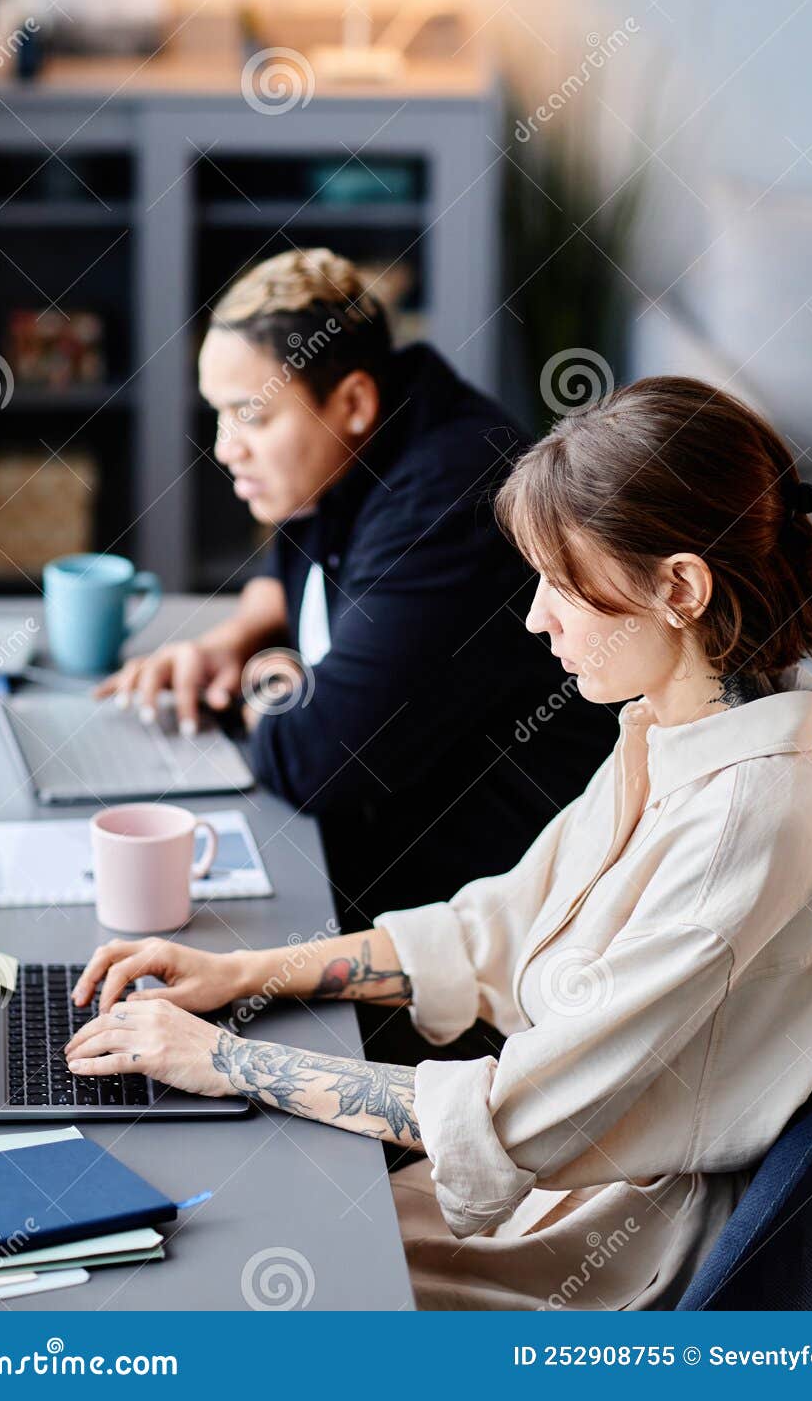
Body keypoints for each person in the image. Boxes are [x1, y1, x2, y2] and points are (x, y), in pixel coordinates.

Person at [70, 375, 812, 1310]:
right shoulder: (667, 730)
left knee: (205, 1274)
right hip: (564, 1201)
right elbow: (487, 929)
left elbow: (506, 1117)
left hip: (609, 1262)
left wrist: (223, 1060)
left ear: (679, 588)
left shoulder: (747, 823)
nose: (536, 617)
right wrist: (245, 975)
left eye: (563, 584)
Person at [96, 248, 609, 939]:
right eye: (218, 415)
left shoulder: (445, 502)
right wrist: (225, 642)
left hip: (488, 906)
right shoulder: (360, 437)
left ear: (353, 401)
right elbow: (287, 574)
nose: (225, 448)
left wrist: (255, 678)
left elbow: (320, 758)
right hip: (387, 842)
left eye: (252, 417)